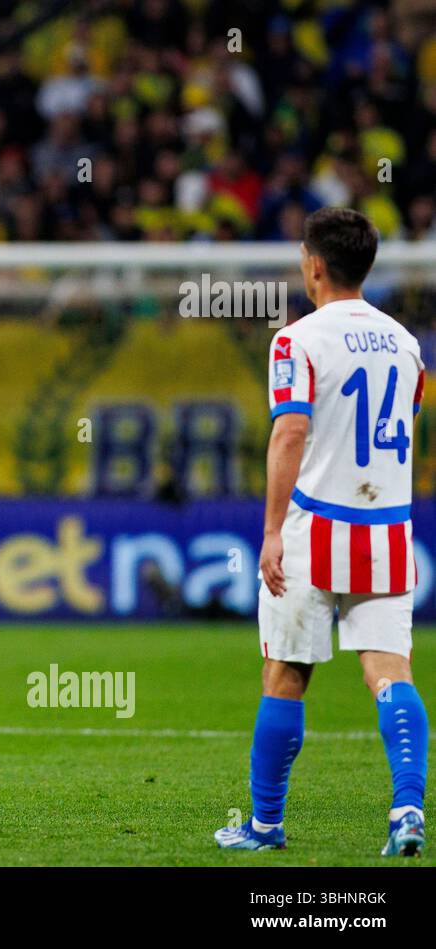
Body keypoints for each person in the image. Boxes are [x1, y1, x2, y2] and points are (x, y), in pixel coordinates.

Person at [215, 207, 427, 856]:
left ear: (313, 265)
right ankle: (407, 811)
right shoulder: (406, 342)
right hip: (388, 530)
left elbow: (291, 431)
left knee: (285, 673)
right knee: (391, 671)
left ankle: (265, 826)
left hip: (316, 524)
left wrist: (273, 529)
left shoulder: (297, 340)